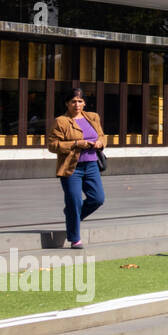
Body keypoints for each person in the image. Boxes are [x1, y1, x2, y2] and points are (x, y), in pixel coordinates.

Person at [47, 88, 106, 249]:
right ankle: (74, 238)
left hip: (92, 165)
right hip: (71, 167)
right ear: (67, 103)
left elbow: (101, 136)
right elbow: (52, 145)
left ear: (84, 103)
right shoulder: (61, 121)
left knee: (97, 199)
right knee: (74, 201)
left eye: (80, 101)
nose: (77, 104)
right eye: (73, 101)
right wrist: (75, 144)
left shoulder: (93, 117)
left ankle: (71, 216)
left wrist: (100, 143)